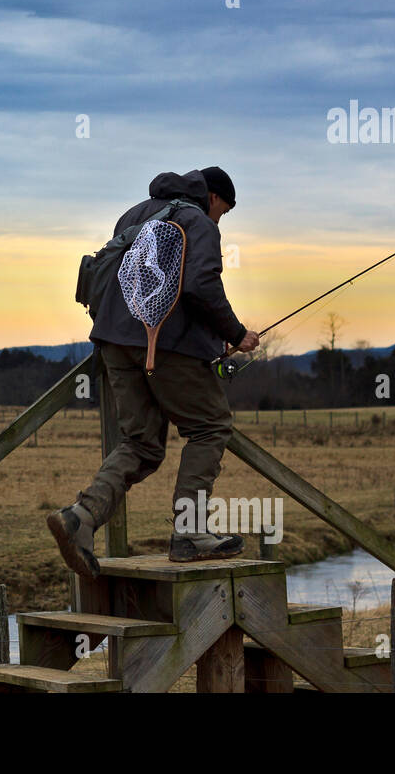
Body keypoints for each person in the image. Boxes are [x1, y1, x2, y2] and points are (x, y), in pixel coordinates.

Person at [48, 166, 260, 573]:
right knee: (210, 426)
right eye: (225, 211)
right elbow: (201, 283)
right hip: (166, 342)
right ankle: (190, 532)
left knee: (141, 443)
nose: (220, 220)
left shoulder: (134, 214)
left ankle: (80, 517)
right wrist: (236, 334)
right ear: (213, 198)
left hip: (112, 339)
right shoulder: (198, 221)